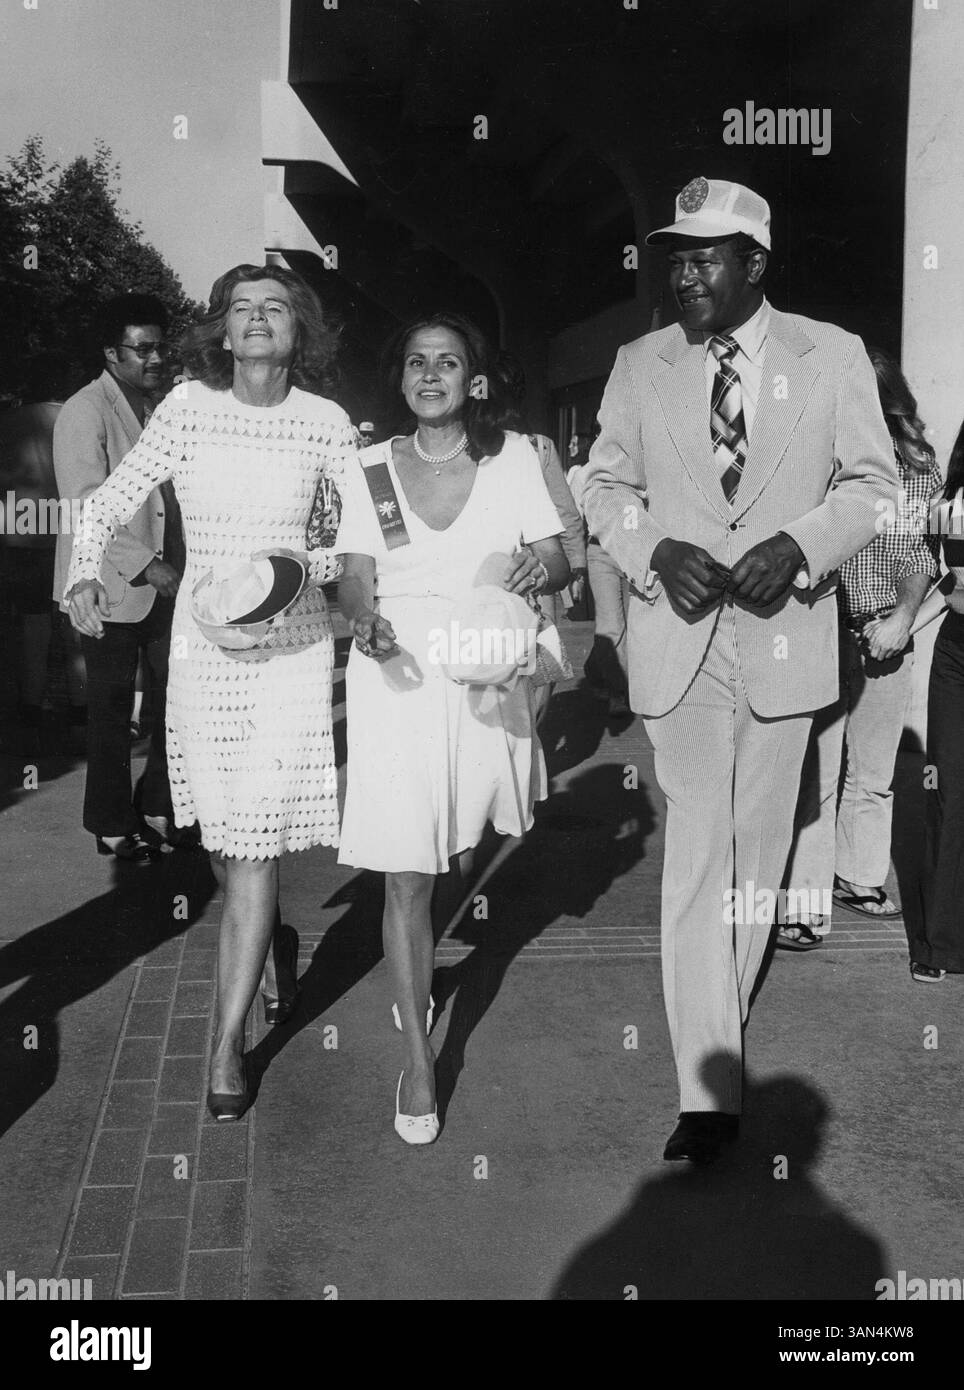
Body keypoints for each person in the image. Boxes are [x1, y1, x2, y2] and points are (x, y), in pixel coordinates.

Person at [581, 177, 899, 1165]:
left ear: (754, 264)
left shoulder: (831, 354)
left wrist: (800, 547)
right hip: (678, 639)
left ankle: (719, 1007)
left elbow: (872, 486)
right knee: (696, 853)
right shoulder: (639, 363)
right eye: (674, 254)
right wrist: (651, 549)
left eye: (705, 254)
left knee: (755, 861)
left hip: (781, 635)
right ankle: (709, 1085)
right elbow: (601, 481)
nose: (682, 270)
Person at [65, 264, 355, 1119]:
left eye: (276, 308)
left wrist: (300, 570)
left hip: (292, 648)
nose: (258, 320)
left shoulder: (326, 423)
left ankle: (226, 1047)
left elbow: (369, 533)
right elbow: (105, 501)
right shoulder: (187, 409)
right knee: (227, 842)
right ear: (222, 333)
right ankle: (274, 944)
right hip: (203, 651)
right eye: (242, 308)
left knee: (256, 842)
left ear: (300, 331)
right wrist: (84, 573)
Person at [336, 311, 569, 1144]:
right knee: (407, 870)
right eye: (415, 361)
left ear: (473, 380)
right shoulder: (366, 470)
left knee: (457, 851)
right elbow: (353, 578)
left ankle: (419, 972)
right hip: (395, 675)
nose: (430, 374)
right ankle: (420, 1064)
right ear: (399, 379)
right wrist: (363, 620)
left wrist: (540, 567)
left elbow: (560, 553)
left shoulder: (514, 458)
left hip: (483, 667)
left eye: (448, 362)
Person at [783, 350, 941, 948]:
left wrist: (901, 618)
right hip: (816, 629)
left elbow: (916, 554)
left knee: (873, 773)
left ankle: (860, 878)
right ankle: (803, 905)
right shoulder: (813, 458)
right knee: (814, 776)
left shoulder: (912, 466)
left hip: (884, 630)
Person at [53, 295, 182, 862]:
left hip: (162, 588)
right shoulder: (86, 408)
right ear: (112, 352)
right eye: (142, 348)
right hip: (107, 587)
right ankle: (109, 821)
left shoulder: (158, 406)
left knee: (172, 702)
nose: (155, 357)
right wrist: (147, 565)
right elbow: (84, 501)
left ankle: (159, 804)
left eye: (159, 346)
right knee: (109, 710)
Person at [493, 352, 586, 716]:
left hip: (503, 572)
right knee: (540, 671)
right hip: (536, 572)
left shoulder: (466, 447)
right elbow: (566, 512)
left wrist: (575, 566)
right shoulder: (538, 446)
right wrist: (575, 568)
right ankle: (532, 745)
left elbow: (564, 511)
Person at [906, 416, 964, 982]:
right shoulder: (949, 503)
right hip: (957, 657)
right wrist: (905, 627)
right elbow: (946, 578)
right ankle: (938, 946)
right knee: (948, 791)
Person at [569, 431, 631, 714]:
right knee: (611, 625)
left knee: (633, 626)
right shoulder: (584, 474)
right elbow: (574, 521)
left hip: (633, 552)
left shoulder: (637, 469)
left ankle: (596, 671)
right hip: (601, 552)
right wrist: (577, 567)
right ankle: (619, 691)